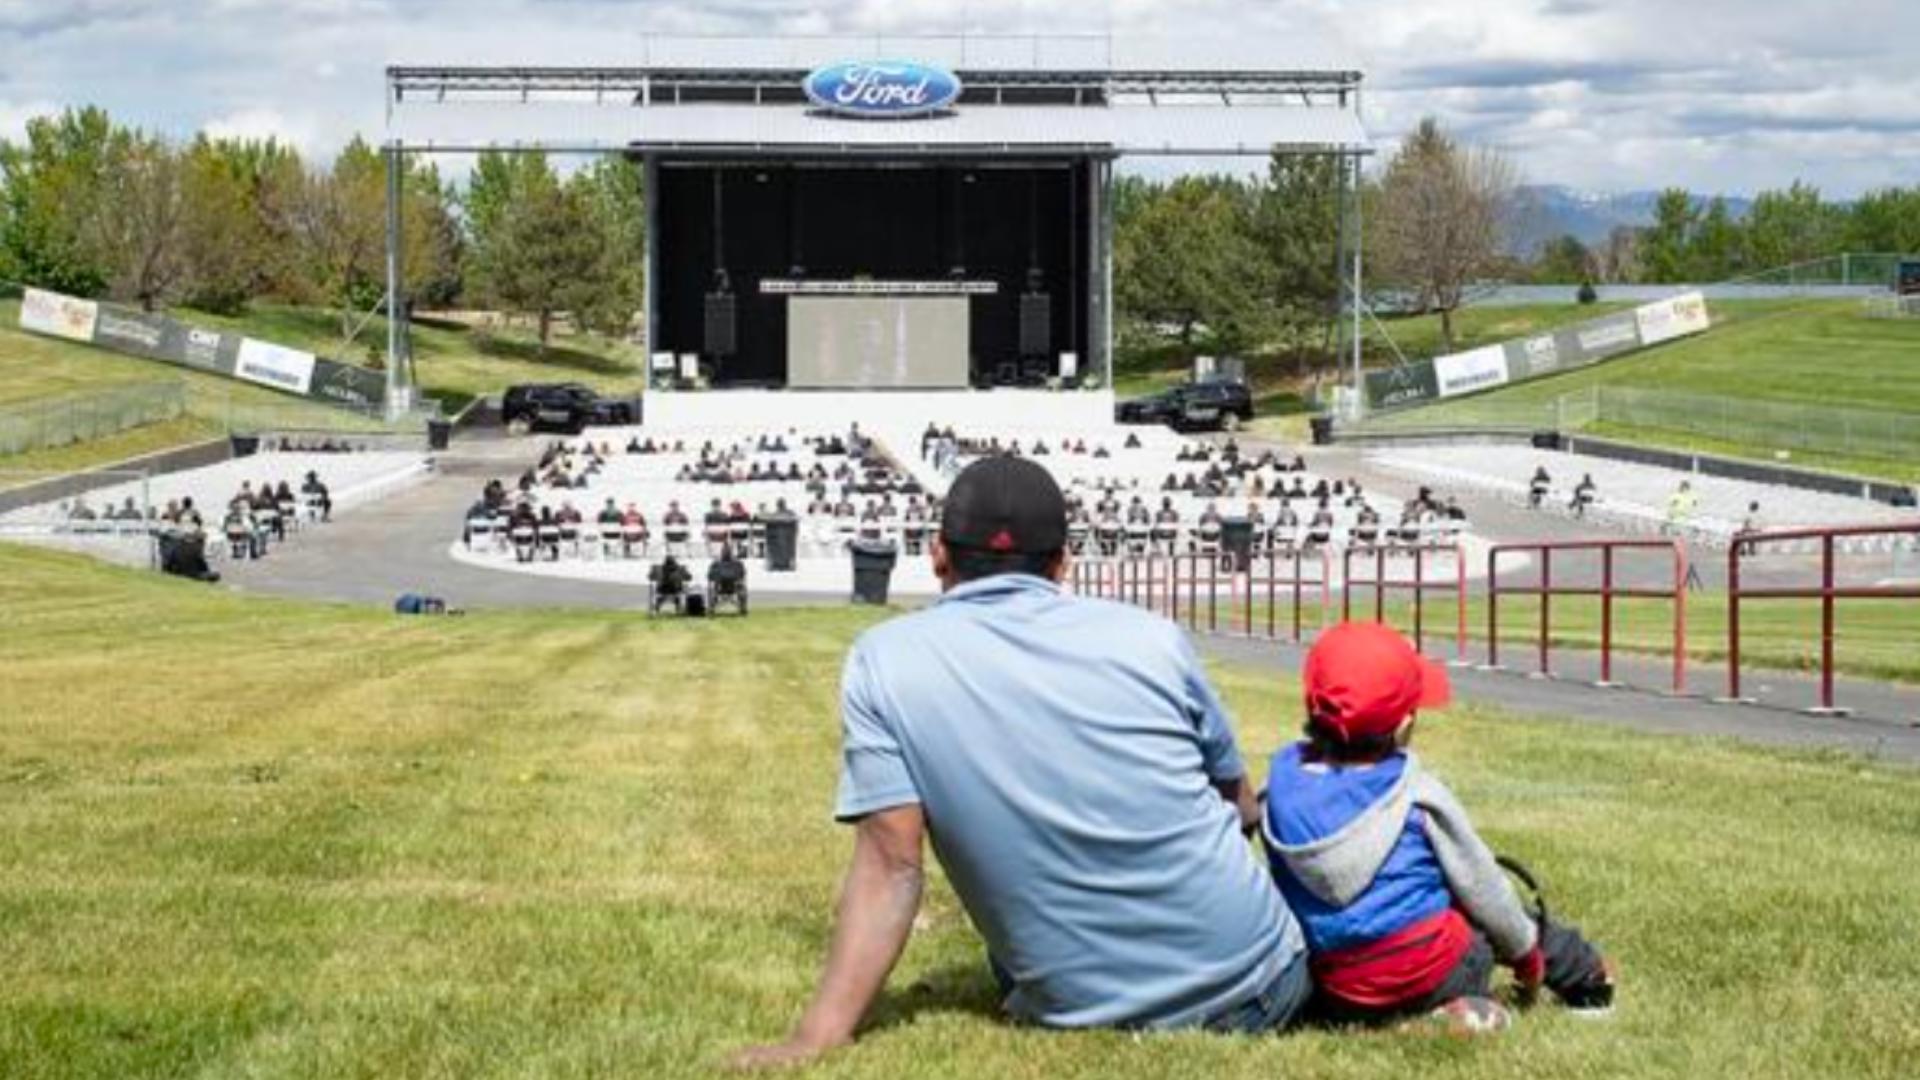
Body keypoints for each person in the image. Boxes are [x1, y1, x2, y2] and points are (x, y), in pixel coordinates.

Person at [733, 458, 1309, 1069]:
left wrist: (815, 1038)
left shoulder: (883, 660)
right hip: (1259, 983)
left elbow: (890, 865)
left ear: (936, 556)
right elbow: (1239, 805)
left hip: (1075, 1005)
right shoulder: (1153, 638)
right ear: (1062, 562)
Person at [1261, 623, 1615, 1030]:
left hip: (1338, 988)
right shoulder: (1418, 795)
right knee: (1476, 904)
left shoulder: (1276, 796)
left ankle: (1391, 1019)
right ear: (1403, 726)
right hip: (1433, 970)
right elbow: (1487, 893)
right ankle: (1585, 977)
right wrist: (1526, 956)